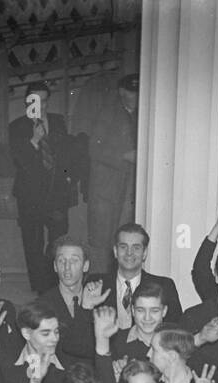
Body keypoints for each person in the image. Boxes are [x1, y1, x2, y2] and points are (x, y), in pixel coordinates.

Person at [9, 81, 78, 294]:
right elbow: (20, 161)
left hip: (56, 195)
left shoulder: (58, 121)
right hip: (30, 196)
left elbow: (67, 154)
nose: (41, 105)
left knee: (58, 242)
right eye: (35, 100)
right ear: (27, 102)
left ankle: (54, 285)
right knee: (33, 244)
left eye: (45, 100)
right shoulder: (17, 126)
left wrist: (69, 179)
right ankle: (40, 289)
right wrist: (34, 140)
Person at [83, 74, 138, 258]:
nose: (136, 97)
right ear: (122, 92)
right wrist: (124, 156)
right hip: (107, 188)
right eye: (132, 92)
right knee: (105, 241)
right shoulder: (107, 114)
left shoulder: (142, 113)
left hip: (129, 187)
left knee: (126, 237)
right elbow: (94, 149)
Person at [105, 223, 182, 329]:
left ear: (144, 253)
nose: (129, 253)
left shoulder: (165, 286)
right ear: (115, 251)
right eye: (123, 247)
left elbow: (175, 331)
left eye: (136, 248)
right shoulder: (96, 285)